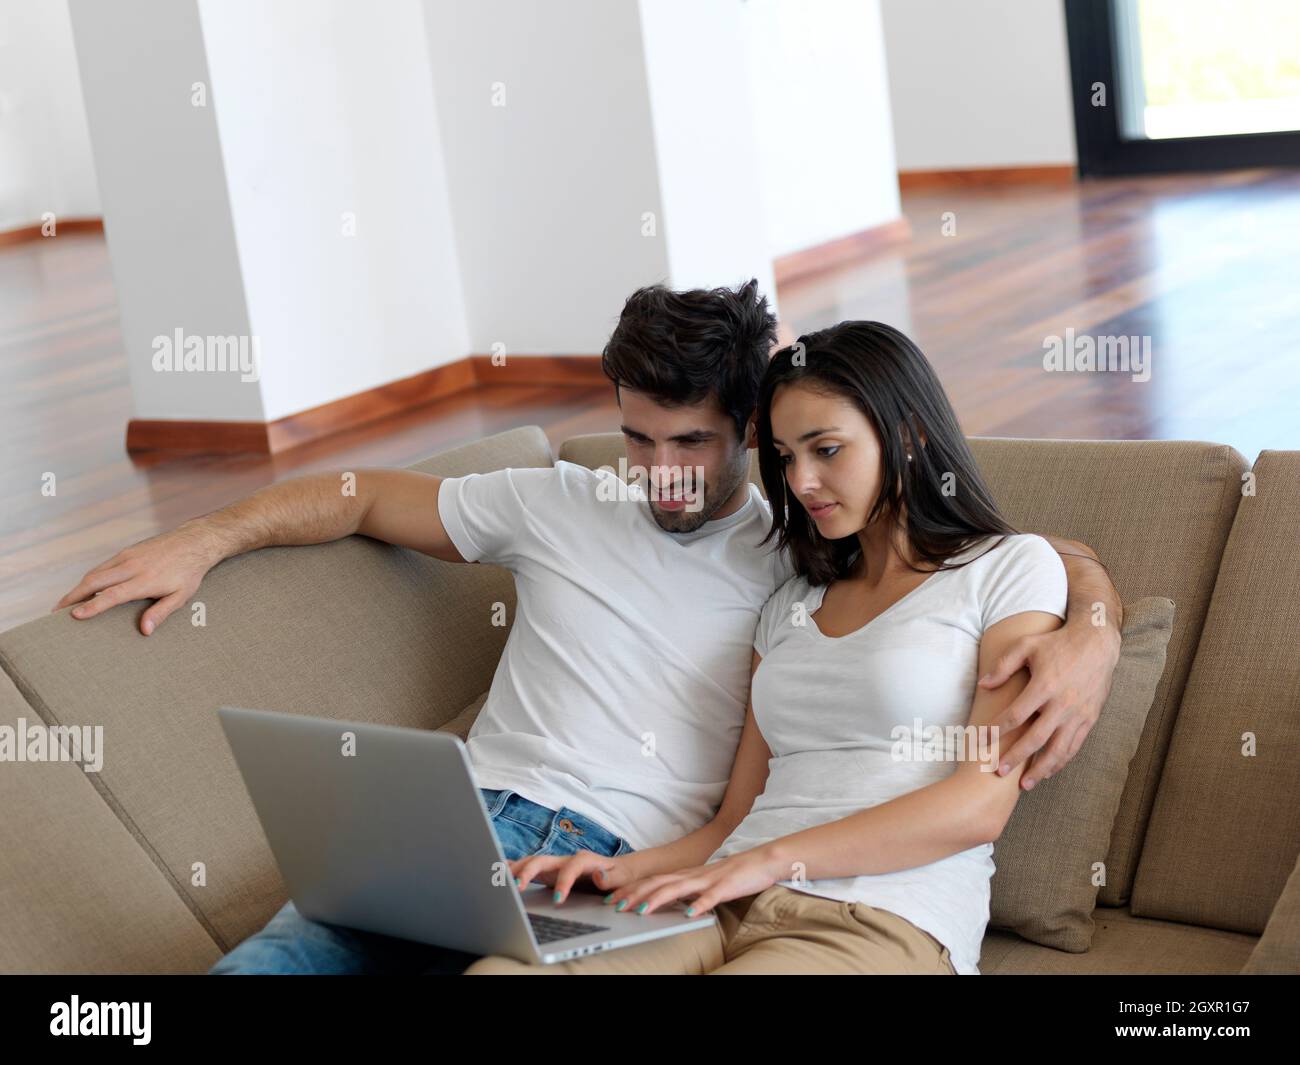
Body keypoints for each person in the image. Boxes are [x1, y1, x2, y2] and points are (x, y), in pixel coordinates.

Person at [53, 285, 1122, 974]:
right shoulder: (743, 575)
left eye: (692, 442)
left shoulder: (784, 552)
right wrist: (205, 537)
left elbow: (998, 560)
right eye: (634, 436)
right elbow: (357, 493)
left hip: (692, 869)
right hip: (503, 834)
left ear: (747, 431)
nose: (656, 470)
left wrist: (1097, 623)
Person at [465, 320, 1102, 976]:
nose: (801, 482)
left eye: (827, 449)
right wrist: (611, 870)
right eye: (785, 456)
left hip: (878, 919)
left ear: (907, 432)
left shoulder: (1009, 569)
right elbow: (732, 820)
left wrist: (770, 859)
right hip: (717, 899)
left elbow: (976, 807)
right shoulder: (789, 603)